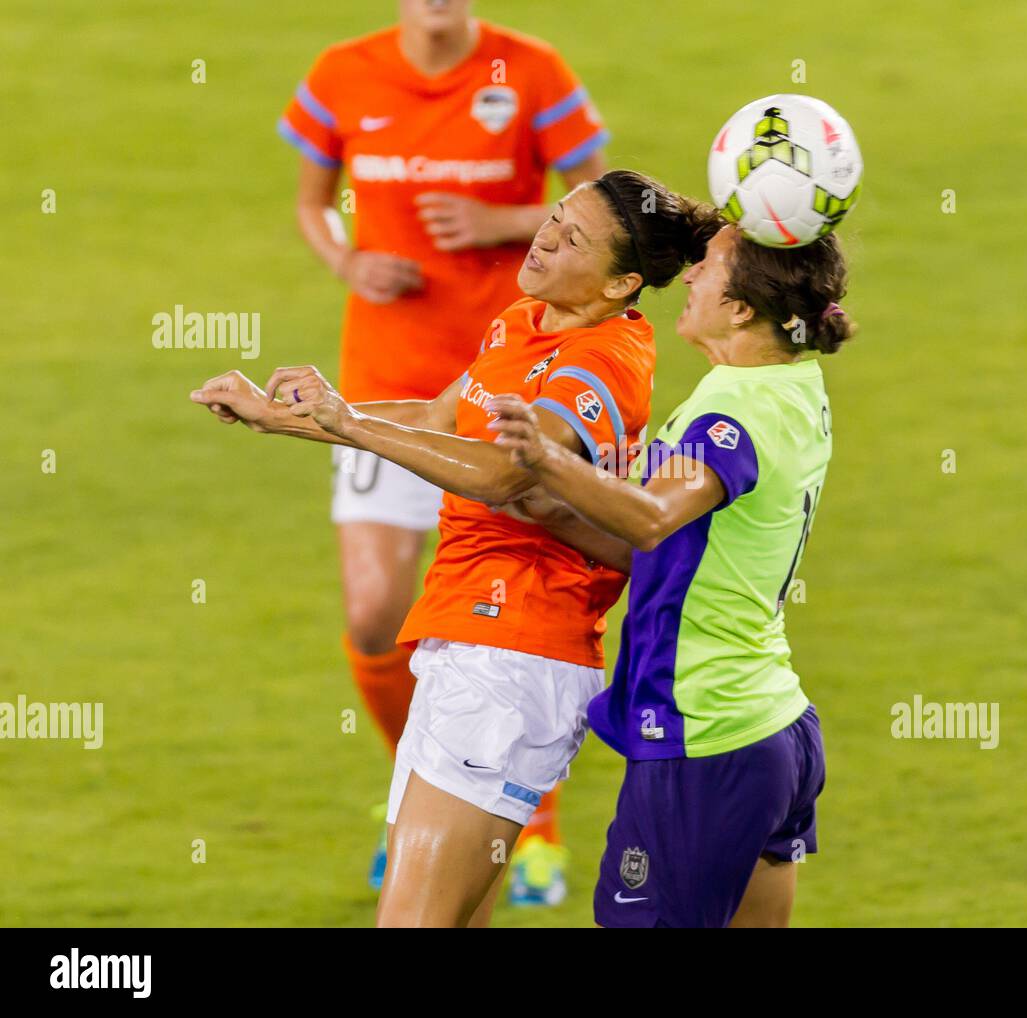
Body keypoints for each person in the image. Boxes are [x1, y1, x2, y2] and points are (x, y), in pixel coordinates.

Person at [190, 171, 716, 927]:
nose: (545, 237)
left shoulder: (601, 361)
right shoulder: (523, 321)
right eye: (554, 217)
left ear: (622, 283)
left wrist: (346, 424)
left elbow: (508, 472)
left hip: (510, 653)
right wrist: (282, 417)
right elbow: (443, 415)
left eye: (574, 238)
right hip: (478, 645)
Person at [276, 0, 609, 895]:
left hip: (506, 392)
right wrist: (348, 263)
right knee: (375, 612)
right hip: (383, 392)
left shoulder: (531, 72)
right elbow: (312, 203)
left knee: (513, 627)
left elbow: (605, 203)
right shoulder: (343, 72)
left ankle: (529, 826)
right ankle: (420, 800)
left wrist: (502, 223)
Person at [487, 223, 852, 927]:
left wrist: (548, 456)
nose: (687, 278)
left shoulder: (735, 407)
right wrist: (560, 516)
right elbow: (677, 545)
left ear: (742, 307)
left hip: (703, 733)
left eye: (708, 268)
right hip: (774, 727)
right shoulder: (792, 384)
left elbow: (654, 516)